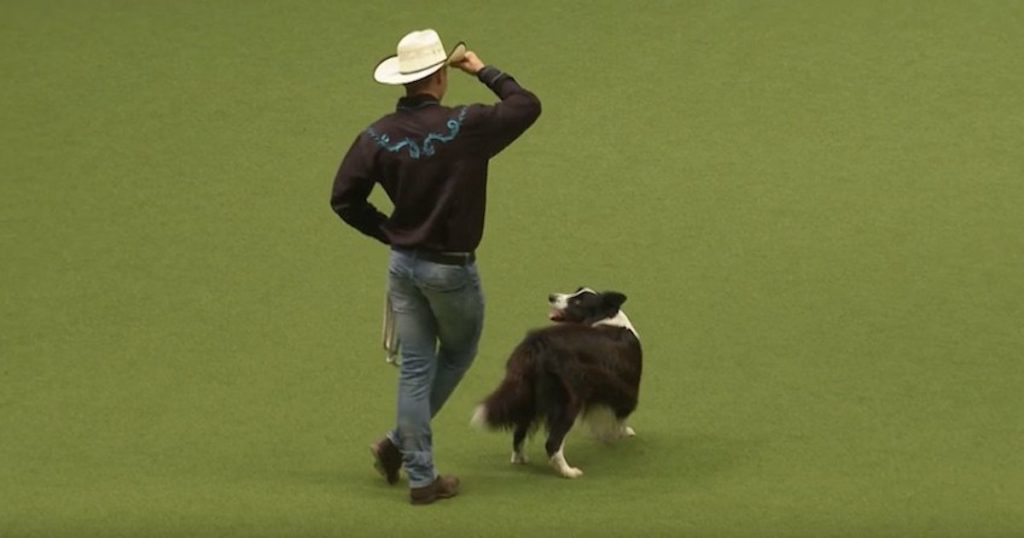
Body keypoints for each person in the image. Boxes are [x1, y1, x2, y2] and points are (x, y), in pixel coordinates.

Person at [330, 29, 541, 505]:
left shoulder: (376, 135)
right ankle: (400, 447)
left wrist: (387, 231)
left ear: (404, 82)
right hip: (450, 269)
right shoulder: (468, 125)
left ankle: (420, 474)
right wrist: (484, 70)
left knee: (416, 368)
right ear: (442, 77)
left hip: (403, 267)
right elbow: (526, 104)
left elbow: (343, 198)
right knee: (458, 352)